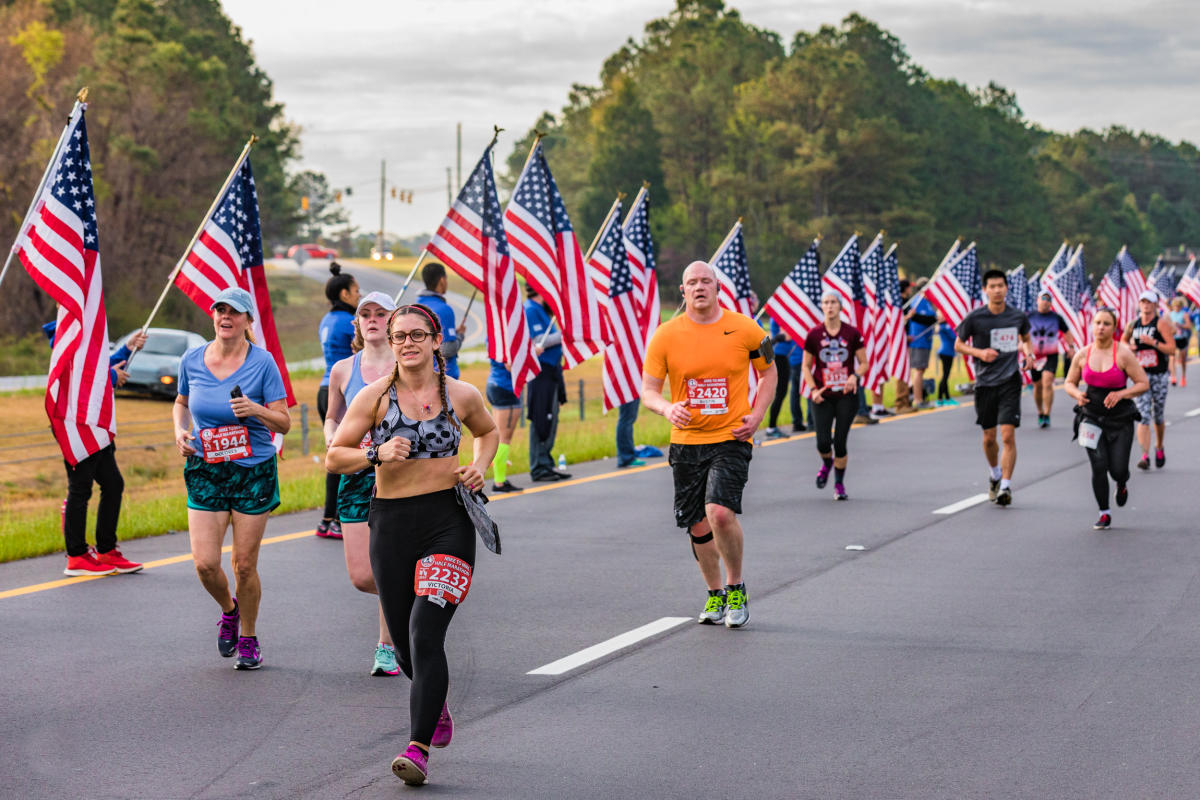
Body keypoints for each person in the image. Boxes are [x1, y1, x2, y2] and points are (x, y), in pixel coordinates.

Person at [325, 303, 498, 787]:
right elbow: (334, 456)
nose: (407, 343)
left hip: (449, 520)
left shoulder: (460, 394)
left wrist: (480, 465)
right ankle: (433, 699)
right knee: (404, 647)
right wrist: (375, 452)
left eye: (417, 335)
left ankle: (417, 748)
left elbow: (488, 432)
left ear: (435, 340)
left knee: (425, 633)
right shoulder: (373, 398)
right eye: (400, 336)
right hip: (392, 523)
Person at [642, 261, 777, 629]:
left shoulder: (745, 328)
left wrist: (758, 413)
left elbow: (769, 373)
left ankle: (736, 588)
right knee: (697, 523)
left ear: (718, 288)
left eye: (706, 281)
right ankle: (714, 593)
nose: (699, 287)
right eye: (692, 282)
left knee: (719, 512)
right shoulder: (666, 336)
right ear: (683, 292)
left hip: (731, 437)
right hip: (686, 442)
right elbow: (649, 391)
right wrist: (668, 408)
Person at [173, 287, 291, 670]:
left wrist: (254, 409)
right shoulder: (192, 359)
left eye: (234, 312)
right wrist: (180, 432)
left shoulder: (263, 362)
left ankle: (250, 637)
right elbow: (181, 403)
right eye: (220, 310)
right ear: (213, 316)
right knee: (205, 564)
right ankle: (229, 609)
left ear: (247, 321)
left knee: (243, 564)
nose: (226, 317)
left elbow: (283, 421)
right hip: (206, 467)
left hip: (252, 470)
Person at [324, 291, 401, 676]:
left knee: (387, 563)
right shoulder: (342, 370)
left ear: (393, 320)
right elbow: (331, 418)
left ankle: (386, 647)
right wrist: (330, 437)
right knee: (363, 576)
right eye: (365, 314)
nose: (372, 319)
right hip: (356, 474)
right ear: (356, 322)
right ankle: (408, 595)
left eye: (380, 313)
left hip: (400, 476)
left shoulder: (408, 365)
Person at [45, 322, 148, 576]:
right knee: (80, 488)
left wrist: (126, 348)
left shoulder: (86, 339)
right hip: (77, 424)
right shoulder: (67, 341)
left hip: (96, 422)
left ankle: (106, 550)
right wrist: (113, 377)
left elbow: (98, 365)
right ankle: (77, 555)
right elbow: (79, 375)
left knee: (113, 484)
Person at [955, 269, 1034, 507]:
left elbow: (1027, 338)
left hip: (1010, 381)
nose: (997, 290)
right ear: (985, 290)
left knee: (1007, 435)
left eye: (1001, 285)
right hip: (985, 383)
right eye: (992, 286)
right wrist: (979, 353)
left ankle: (1006, 488)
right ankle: (995, 474)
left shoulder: (1017, 316)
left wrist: (1029, 354)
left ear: (1006, 288)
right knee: (989, 438)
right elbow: (959, 344)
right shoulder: (976, 318)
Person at [1064, 308, 1148, 530]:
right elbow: (1069, 382)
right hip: (1090, 417)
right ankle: (1104, 512)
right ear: (1092, 326)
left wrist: (1121, 394)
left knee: (1118, 469)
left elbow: (1142, 383)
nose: (1101, 327)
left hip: (1120, 419)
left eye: (1106, 324)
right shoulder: (1083, 354)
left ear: (1114, 328)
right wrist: (1077, 394)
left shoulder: (1123, 354)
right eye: (1097, 323)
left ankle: (1121, 483)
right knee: (1098, 465)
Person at [801, 293, 868, 500]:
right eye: (826, 303)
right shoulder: (813, 334)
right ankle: (827, 463)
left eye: (833, 303)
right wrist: (813, 389)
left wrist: (855, 376)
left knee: (839, 441)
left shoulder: (852, 333)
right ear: (822, 307)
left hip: (846, 395)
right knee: (822, 442)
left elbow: (864, 363)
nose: (829, 306)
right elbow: (805, 366)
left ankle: (839, 484)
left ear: (840, 306)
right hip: (823, 395)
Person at [316, 262, 361, 539]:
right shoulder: (349, 322)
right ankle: (340, 519)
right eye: (356, 291)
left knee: (335, 455)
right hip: (344, 392)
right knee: (346, 456)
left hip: (324, 388)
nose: (358, 295)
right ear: (344, 294)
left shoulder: (327, 320)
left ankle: (327, 518)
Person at [1122, 289, 1176, 469]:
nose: (1145, 305)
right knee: (1143, 415)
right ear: (1139, 304)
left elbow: (1172, 349)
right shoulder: (1133, 324)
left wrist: (1154, 343)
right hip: (1140, 375)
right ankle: (1144, 456)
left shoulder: (1160, 324)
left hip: (1159, 374)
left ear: (1155, 304)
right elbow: (1123, 341)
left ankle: (1159, 446)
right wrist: (1130, 347)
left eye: (1149, 302)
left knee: (1158, 415)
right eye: (1143, 302)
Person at [524, 286, 570, 481]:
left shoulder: (542, 310)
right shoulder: (530, 309)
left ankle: (546, 461)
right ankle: (538, 465)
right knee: (541, 418)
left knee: (551, 418)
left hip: (552, 370)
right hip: (540, 371)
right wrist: (565, 334)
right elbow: (537, 341)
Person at [1027, 291, 1076, 428]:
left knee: (1047, 382)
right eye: (1043, 298)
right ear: (1037, 300)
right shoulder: (1030, 317)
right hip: (1034, 355)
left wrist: (1071, 347)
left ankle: (1047, 414)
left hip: (1051, 354)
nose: (1045, 301)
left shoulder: (1056, 318)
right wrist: (1023, 348)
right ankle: (1040, 411)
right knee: (1037, 385)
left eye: (1048, 299)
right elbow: (1022, 334)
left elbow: (1067, 332)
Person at [417, 262, 467, 379]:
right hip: (444, 376)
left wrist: (454, 332)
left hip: (424, 374)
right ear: (442, 280)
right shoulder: (444, 309)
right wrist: (460, 336)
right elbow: (447, 349)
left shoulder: (417, 305)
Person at [485, 357, 523, 492]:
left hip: (494, 382)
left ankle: (498, 475)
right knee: (504, 438)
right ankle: (499, 481)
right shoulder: (506, 336)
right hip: (506, 387)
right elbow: (510, 364)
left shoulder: (493, 336)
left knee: (497, 435)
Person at [902, 283, 937, 412]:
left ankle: (917, 397)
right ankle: (918, 399)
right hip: (918, 341)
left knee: (921, 370)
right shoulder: (918, 301)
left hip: (925, 341)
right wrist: (934, 319)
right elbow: (919, 318)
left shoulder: (926, 302)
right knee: (919, 370)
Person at [764, 318, 799, 438]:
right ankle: (771, 427)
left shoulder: (778, 316)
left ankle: (772, 426)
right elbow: (788, 336)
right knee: (780, 393)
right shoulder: (780, 316)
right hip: (779, 357)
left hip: (781, 356)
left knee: (780, 394)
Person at [935, 311, 959, 406]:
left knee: (946, 376)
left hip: (948, 352)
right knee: (945, 376)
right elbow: (954, 336)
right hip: (946, 352)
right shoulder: (945, 327)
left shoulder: (946, 326)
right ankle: (943, 398)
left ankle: (944, 398)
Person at [1169, 297, 1192, 387]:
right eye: (1175, 306)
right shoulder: (1170, 315)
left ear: (1181, 306)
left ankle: (1183, 376)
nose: (1176, 308)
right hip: (1173, 338)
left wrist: (1180, 325)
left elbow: (1188, 326)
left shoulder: (1184, 314)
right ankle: (1173, 376)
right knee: (1172, 358)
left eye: (1178, 306)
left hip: (1182, 338)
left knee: (1182, 359)